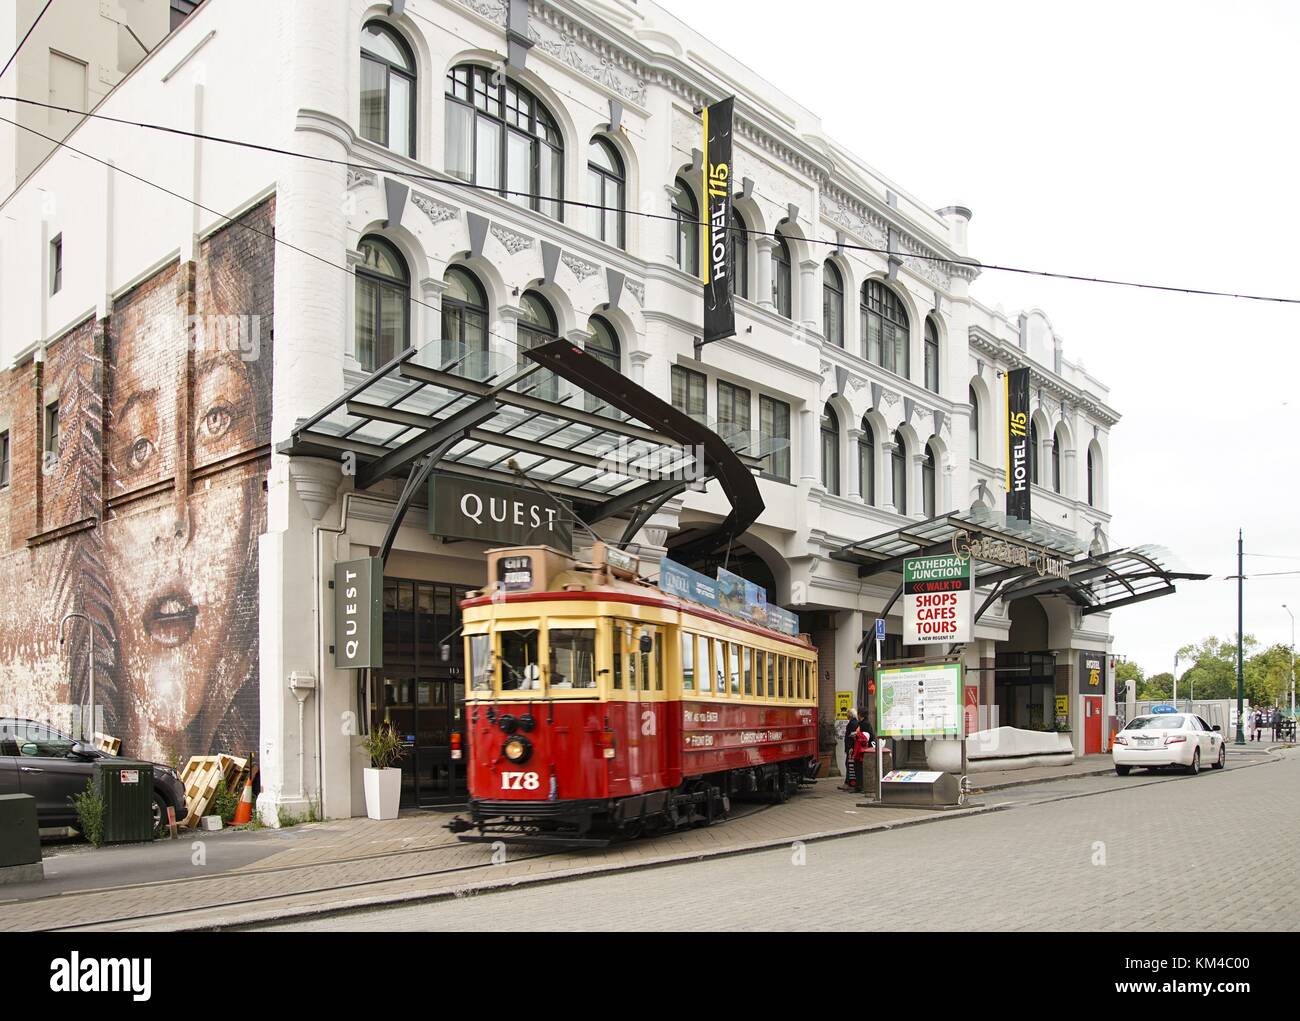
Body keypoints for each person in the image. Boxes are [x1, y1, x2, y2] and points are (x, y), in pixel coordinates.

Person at [840, 708, 861, 791]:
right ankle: (848, 782)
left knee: (849, 765)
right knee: (849, 765)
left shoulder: (852, 723)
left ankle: (848, 783)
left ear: (850, 715)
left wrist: (851, 748)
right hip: (851, 748)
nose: (846, 715)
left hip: (851, 748)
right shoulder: (854, 722)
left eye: (847, 714)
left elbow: (852, 737)